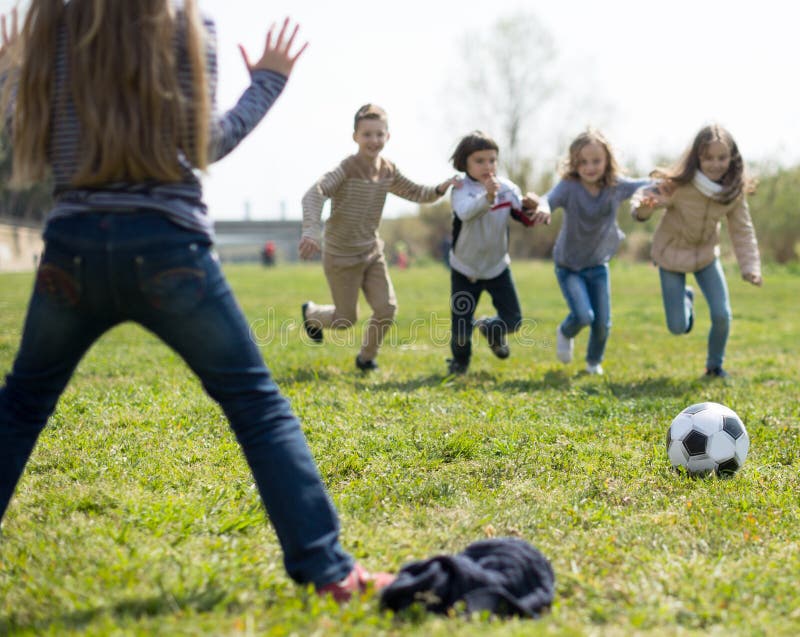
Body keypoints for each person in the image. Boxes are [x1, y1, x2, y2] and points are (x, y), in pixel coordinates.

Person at [0, 2, 390, 601]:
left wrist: (9, 72)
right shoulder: (184, 23)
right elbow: (208, 142)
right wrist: (268, 81)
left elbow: (28, 137)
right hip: (168, 248)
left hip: (72, 249)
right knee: (256, 406)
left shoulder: (54, 25)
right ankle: (329, 570)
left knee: (21, 406)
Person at [298, 104, 457, 372]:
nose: (374, 140)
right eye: (367, 134)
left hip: (371, 253)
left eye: (379, 134)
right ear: (355, 137)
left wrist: (441, 188)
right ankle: (312, 315)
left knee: (387, 309)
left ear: (388, 137)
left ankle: (366, 358)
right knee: (345, 319)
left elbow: (416, 192)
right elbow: (314, 193)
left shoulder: (387, 170)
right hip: (340, 256)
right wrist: (311, 231)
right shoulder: (347, 168)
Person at [632, 124, 762, 378]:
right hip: (670, 256)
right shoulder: (679, 185)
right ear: (697, 158)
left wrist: (751, 268)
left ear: (732, 158)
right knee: (678, 326)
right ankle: (686, 299)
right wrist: (644, 208)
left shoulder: (732, 192)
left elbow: (742, 231)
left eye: (721, 157)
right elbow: (642, 201)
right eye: (708, 157)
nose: (715, 164)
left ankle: (714, 366)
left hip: (705, 256)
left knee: (722, 314)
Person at [540, 129, 653, 376]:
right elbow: (547, 199)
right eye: (583, 162)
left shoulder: (615, 186)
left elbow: (645, 184)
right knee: (583, 315)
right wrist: (542, 208)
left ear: (607, 161)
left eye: (596, 161)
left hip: (598, 264)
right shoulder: (569, 187)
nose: (590, 167)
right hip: (569, 265)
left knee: (602, 322)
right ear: (574, 163)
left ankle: (593, 363)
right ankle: (565, 331)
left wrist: (671, 181)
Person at [446, 131, 548, 376]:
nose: (487, 166)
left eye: (492, 160)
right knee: (461, 327)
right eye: (479, 161)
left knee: (513, 320)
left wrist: (533, 207)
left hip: (497, 267)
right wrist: (488, 196)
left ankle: (490, 328)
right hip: (465, 268)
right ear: (465, 163)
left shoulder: (508, 188)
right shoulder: (460, 188)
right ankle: (460, 363)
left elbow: (523, 217)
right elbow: (466, 213)